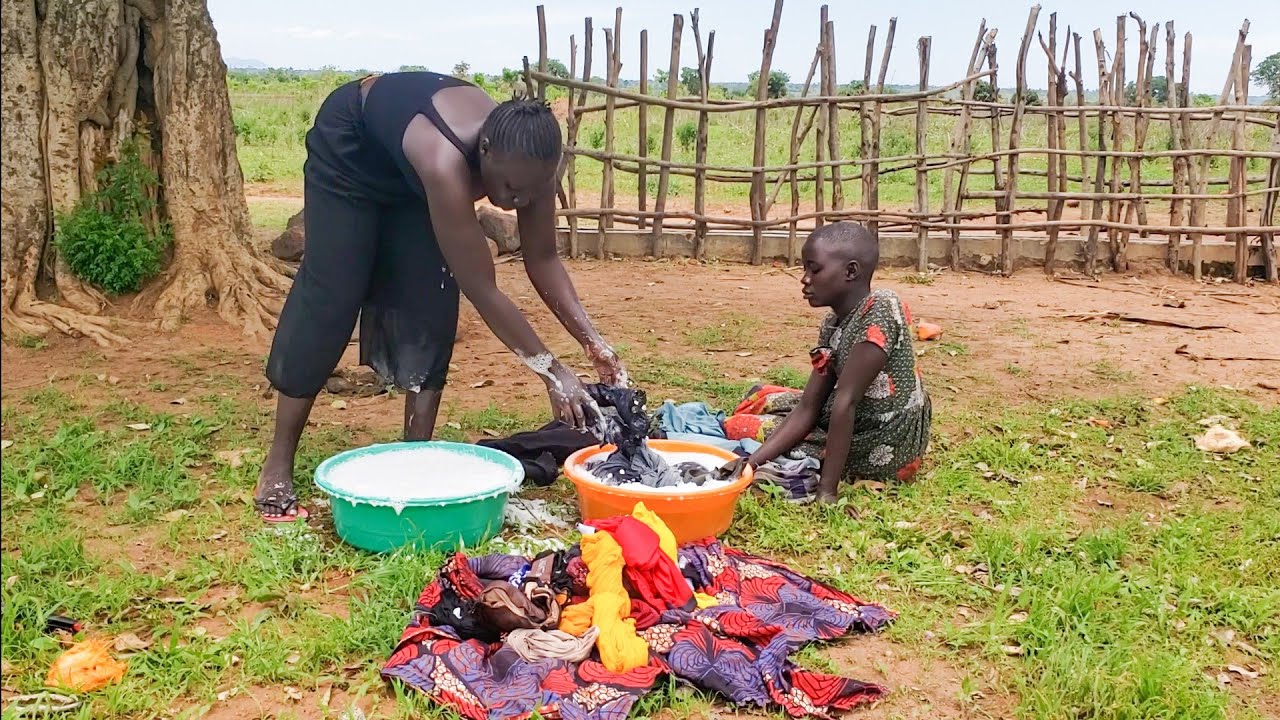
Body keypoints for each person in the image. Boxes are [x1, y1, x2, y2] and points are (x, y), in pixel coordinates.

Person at [255, 71, 627, 522]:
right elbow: (483, 287)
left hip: (408, 171)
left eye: (529, 192)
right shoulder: (442, 160)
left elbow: (543, 259)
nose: (515, 201)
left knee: (431, 290)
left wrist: (592, 341)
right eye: (508, 188)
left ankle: (416, 455)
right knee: (333, 292)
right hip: (352, 154)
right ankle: (278, 463)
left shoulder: (532, 166)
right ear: (485, 150)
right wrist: (552, 371)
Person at [731, 222, 931, 504]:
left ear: (850, 271)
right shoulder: (833, 324)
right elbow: (809, 406)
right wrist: (752, 463)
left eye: (815, 269)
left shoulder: (882, 308)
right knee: (760, 395)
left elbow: (845, 403)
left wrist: (827, 491)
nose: (804, 279)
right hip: (851, 417)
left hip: (881, 440)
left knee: (741, 427)